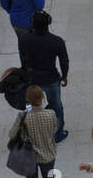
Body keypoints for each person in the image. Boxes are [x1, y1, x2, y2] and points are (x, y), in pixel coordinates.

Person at [18, 10, 69, 142]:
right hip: (51, 79)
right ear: (48, 23)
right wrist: (64, 76)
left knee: (29, 105)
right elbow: (64, 61)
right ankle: (57, 134)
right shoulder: (57, 41)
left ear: (32, 24)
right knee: (56, 106)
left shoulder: (24, 39)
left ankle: (29, 130)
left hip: (32, 79)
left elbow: (23, 58)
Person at [11, 84, 59, 178]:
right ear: (42, 98)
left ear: (27, 99)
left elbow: (11, 134)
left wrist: (23, 115)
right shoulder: (51, 114)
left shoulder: (24, 116)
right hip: (48, 154)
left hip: (29, 157)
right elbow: (54, 130)